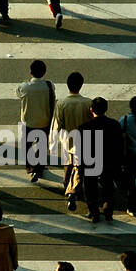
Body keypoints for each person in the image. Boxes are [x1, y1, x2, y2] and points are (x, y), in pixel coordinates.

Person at [51, 71, 91, 212]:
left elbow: (58, 125)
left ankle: (67, 184)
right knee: (79, 167)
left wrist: (53, 144)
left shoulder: (61, 103)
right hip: (84, 140)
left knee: (69, 163)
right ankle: (72, 191)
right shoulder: (88, 102)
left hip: (68, 140)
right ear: (81, 85)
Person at [80, 96, 123, 224]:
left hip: (91, 162)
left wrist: (81, 167)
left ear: (91, 110)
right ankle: (108, 210)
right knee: (108, 187)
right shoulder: (114, 125)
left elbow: (81, 150)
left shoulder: (84, 127)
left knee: (90, 188)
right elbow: (119, 146)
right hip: (109, 162)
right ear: (106, 110)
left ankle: (94, 213)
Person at [16, 59, 54, 182]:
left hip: (28, 122)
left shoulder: (24, 87)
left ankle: (30, 167)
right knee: (42, 145)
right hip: (44, 122)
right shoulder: (49, 85)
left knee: (27, 145)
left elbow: (18, 94)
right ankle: (39, 168)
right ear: (44, 72)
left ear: (30, 72)